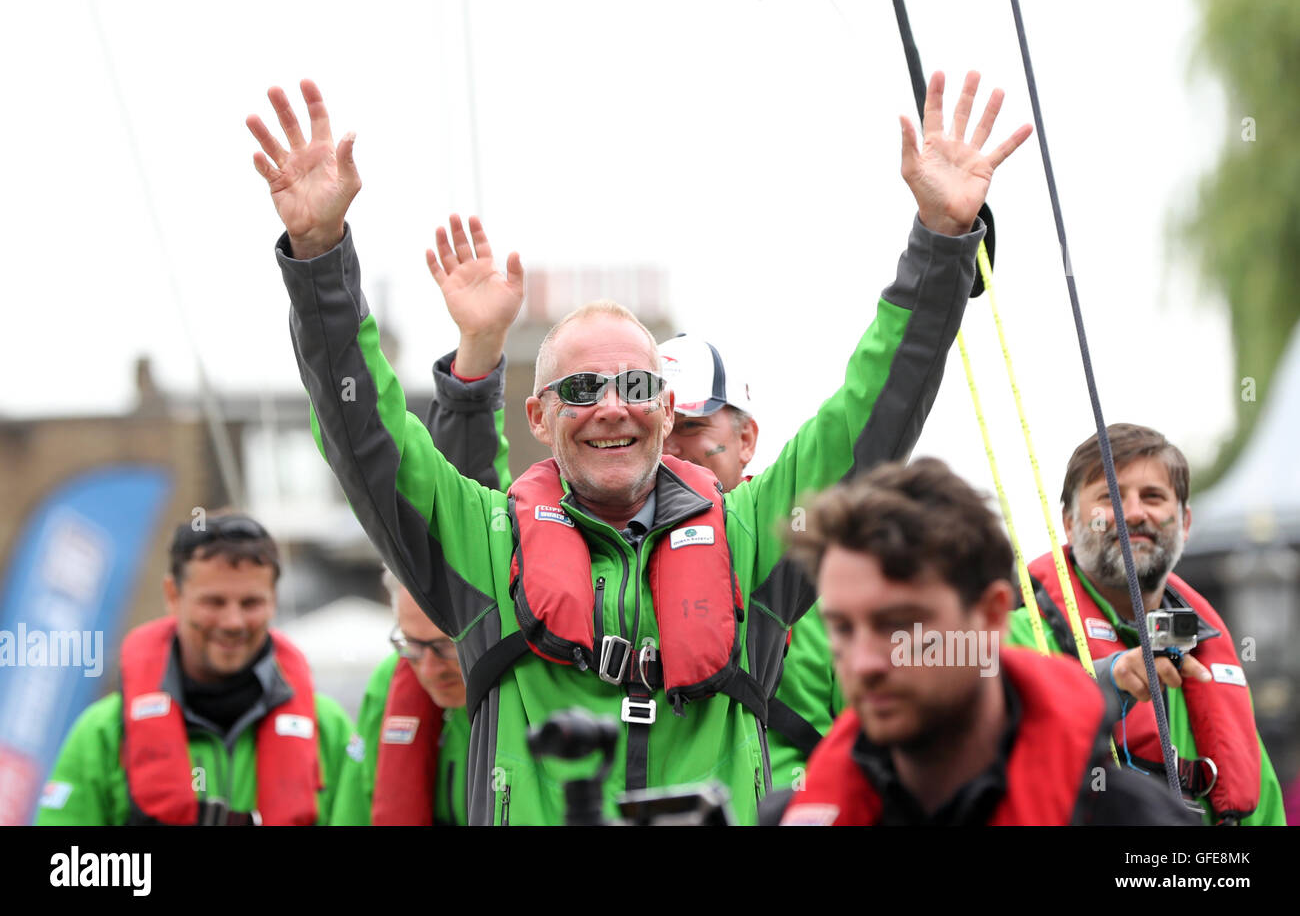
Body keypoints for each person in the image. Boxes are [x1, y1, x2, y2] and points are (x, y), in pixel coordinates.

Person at [249, 70, 1031, 825]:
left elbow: (870, 420)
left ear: (666, 410)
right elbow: (367, 437)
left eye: (635, 386)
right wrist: (319, 257)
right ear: (539, 416)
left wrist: (941, 240)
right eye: (582, 390)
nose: (611, 408)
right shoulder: (486, 546)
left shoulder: (751, 538)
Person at [429, 323, 843, 791]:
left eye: (693, 427)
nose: (670, 447)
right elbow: (474, 511)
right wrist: (475, 363)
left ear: (746, 439)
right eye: (591, 393)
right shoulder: (555, 549)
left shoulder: (807, 575)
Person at [778, 458, 1193, 825]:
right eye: (843, 629)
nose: (863, 663)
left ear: (993, 615)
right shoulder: (786, 817)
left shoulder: (1132, 819)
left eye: (899, 626)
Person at [1005, 424, 1287, 825]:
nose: (1133, 513)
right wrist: (1107, 681)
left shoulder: (1212, 660)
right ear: (1068, 523)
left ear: (1185, 523)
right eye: (1110, 497)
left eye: (1153, 497)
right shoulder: (1012, 638)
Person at [37, 515, 355, 825]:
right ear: (173, 596)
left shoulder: (329, 729)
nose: (233, 622)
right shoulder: (103, 734)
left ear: (273, 600)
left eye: (251, 603)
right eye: (214, 602)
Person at [331, 570, 470, 825]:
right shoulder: (387, 682)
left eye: (448, 645)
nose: (429, 670)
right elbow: (354, 812)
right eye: (413, 644)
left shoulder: (530, 686)